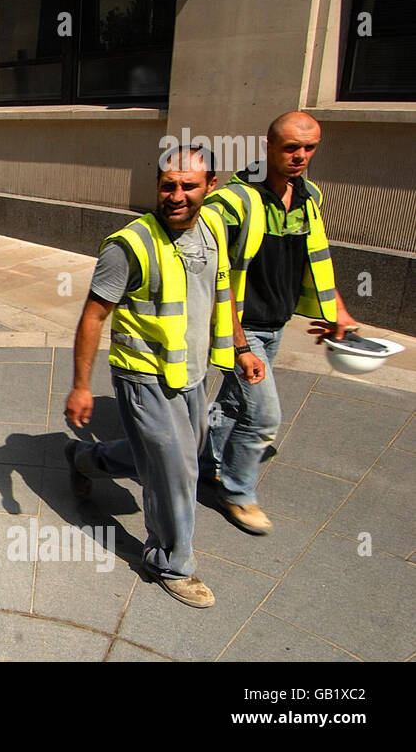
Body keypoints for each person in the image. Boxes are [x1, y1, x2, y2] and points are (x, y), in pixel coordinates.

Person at [64, 145, 265, 608]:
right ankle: (170, 562)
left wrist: (240, 347)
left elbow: (222, 290)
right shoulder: (128, 246)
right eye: (167, 185)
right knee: (176, 472)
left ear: (210, 186)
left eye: (188, 185)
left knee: (163, 460)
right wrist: (81, 385)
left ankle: (83, 459)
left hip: (191, 374)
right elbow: (93, 317)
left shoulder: (213, 229)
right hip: (143, 377)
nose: (177, 195)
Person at [200, 111, 358, 535]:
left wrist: (336, 309)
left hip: (276, 323)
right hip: (241, 326)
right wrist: (238, 344)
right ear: (267, 146)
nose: (301, 156)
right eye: (291, 147)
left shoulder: (309, 196)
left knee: (234, 404)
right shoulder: (232, 201)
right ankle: (237, 493)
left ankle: (208, 466)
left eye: (309, 148)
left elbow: (314, 258)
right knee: (265, 417)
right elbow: (213, 272)